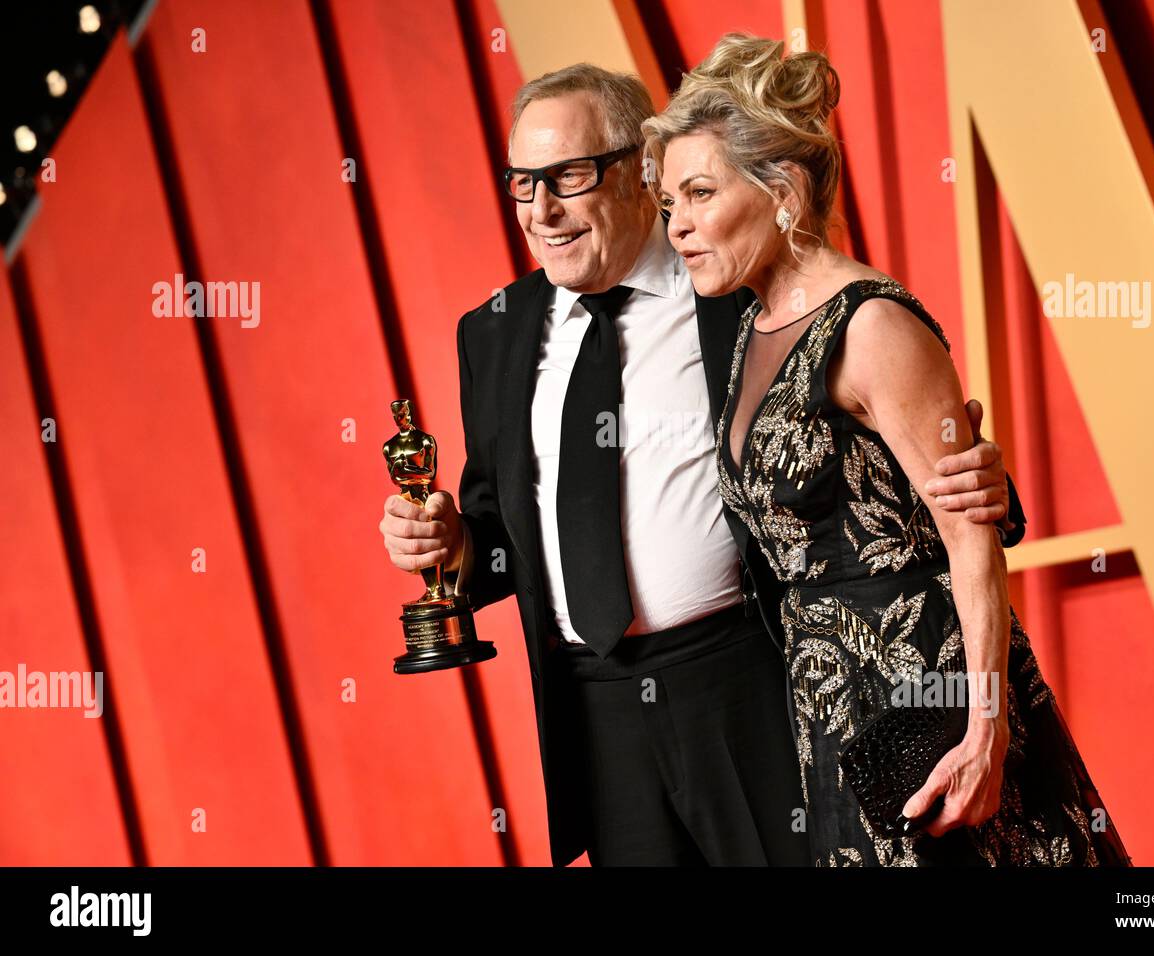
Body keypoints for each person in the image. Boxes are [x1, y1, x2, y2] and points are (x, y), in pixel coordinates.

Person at [378, 63, 1023, 867]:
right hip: (597, 711)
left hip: (755, 688)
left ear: (637, 173)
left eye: (568, 177)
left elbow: (871, 432)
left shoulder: (740, 286)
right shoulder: (494, 334)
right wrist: (448, 548)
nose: (541, 210)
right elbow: (498, 531)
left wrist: (980, 483)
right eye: (520, 183)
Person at [643, 33, 1133, 867]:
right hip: (833, 712)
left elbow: (971, 537)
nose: (678, 225)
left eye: (698, 192)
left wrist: (986, 729)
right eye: (668, 203)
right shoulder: (751, 326)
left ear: (785, 190)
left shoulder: (871, 325)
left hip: (927, 697)